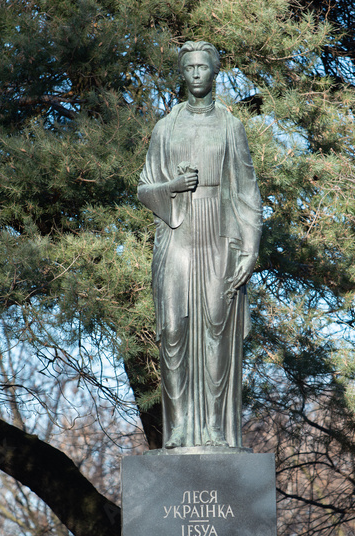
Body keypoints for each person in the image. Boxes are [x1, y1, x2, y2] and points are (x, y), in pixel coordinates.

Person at [137, 41, 262, 449]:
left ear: (214, 72)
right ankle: (178, 427)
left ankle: (212, 426)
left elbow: (246, 193)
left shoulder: (230, 127)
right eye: (188, 66)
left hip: (217, 236)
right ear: (181, 72)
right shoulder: (165, 127)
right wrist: (172, 186)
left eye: (202, 67)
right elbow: (143, 188)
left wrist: (251, 248)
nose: (195, 73)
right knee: (173, 330)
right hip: (176, 234)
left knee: (214, 329)